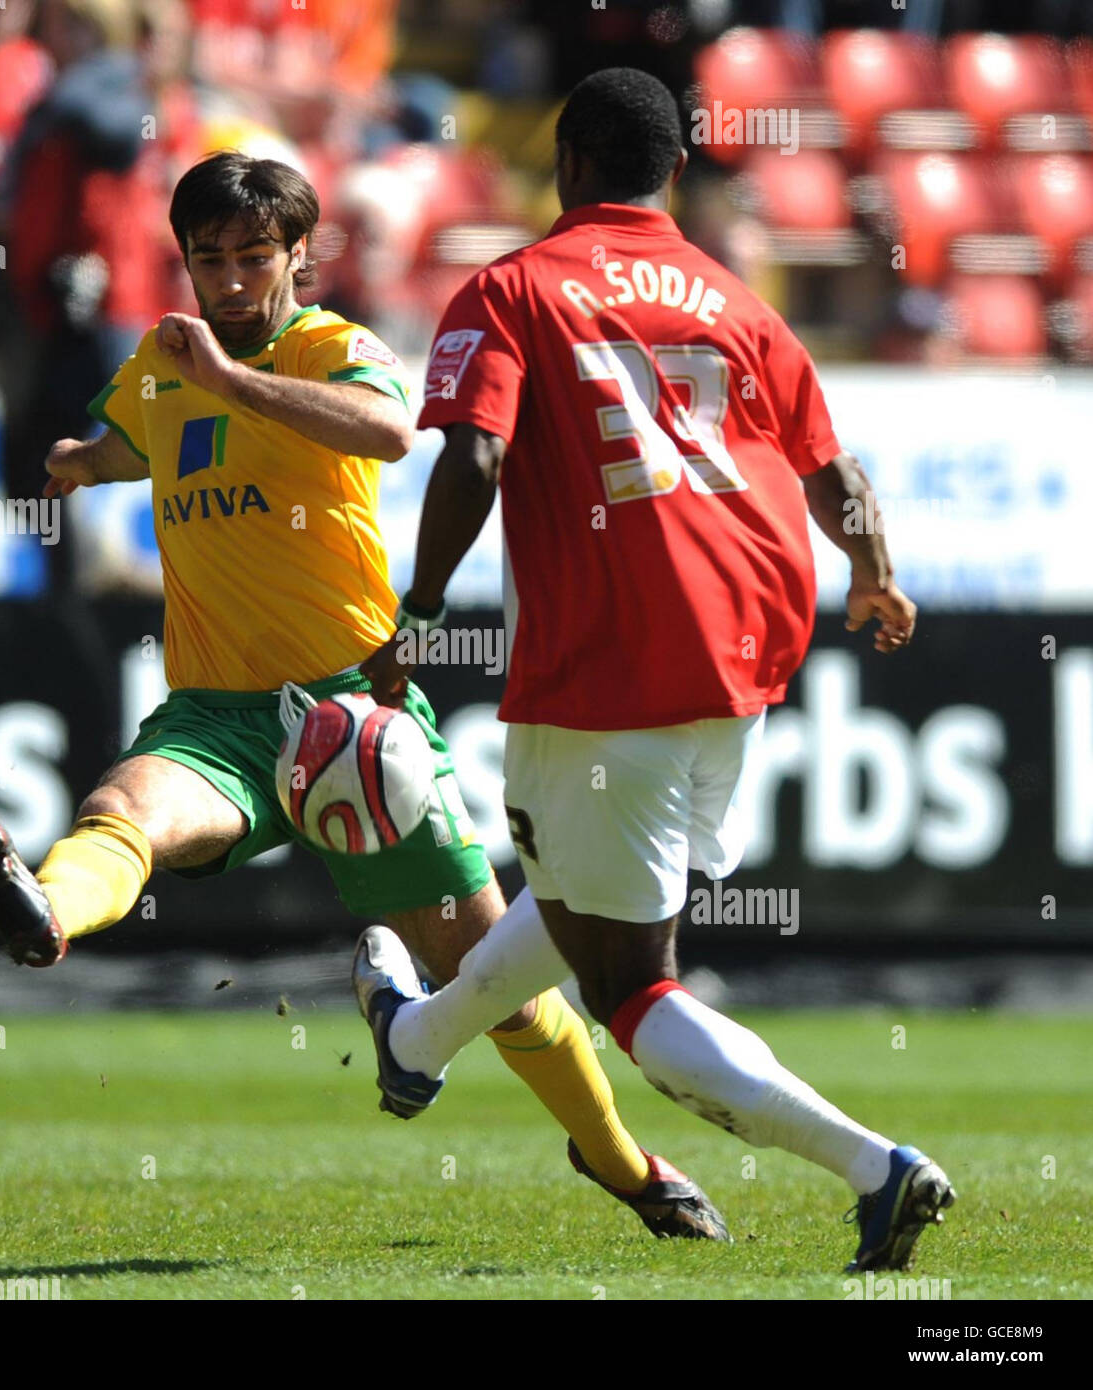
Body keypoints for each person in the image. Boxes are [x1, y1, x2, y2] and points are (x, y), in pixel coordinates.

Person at [0, 148, 730, 1243]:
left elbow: (393, 433)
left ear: (299, 255)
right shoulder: (163, 363)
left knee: (489, 978)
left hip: (356, 720)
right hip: (215, 713)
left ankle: (628, 1165)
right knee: (120, 811)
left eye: (253, 255)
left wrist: (225, 378)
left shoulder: (331, 348)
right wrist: (81, 458)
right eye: (206, 257)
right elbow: (139, 439)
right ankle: (44, 912)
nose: (227, 279)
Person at [353, 67, 956, 1273]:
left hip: (607, 658)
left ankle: (874, 1167)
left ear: (566, 164)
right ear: (674, 171)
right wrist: (874, 572)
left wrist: (415, 610)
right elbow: (834, 472)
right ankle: (416, 1040)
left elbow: (471, 454)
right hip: (740, 654)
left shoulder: (514, 287)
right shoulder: (739, 300)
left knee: (631, 985)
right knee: (579, 895)